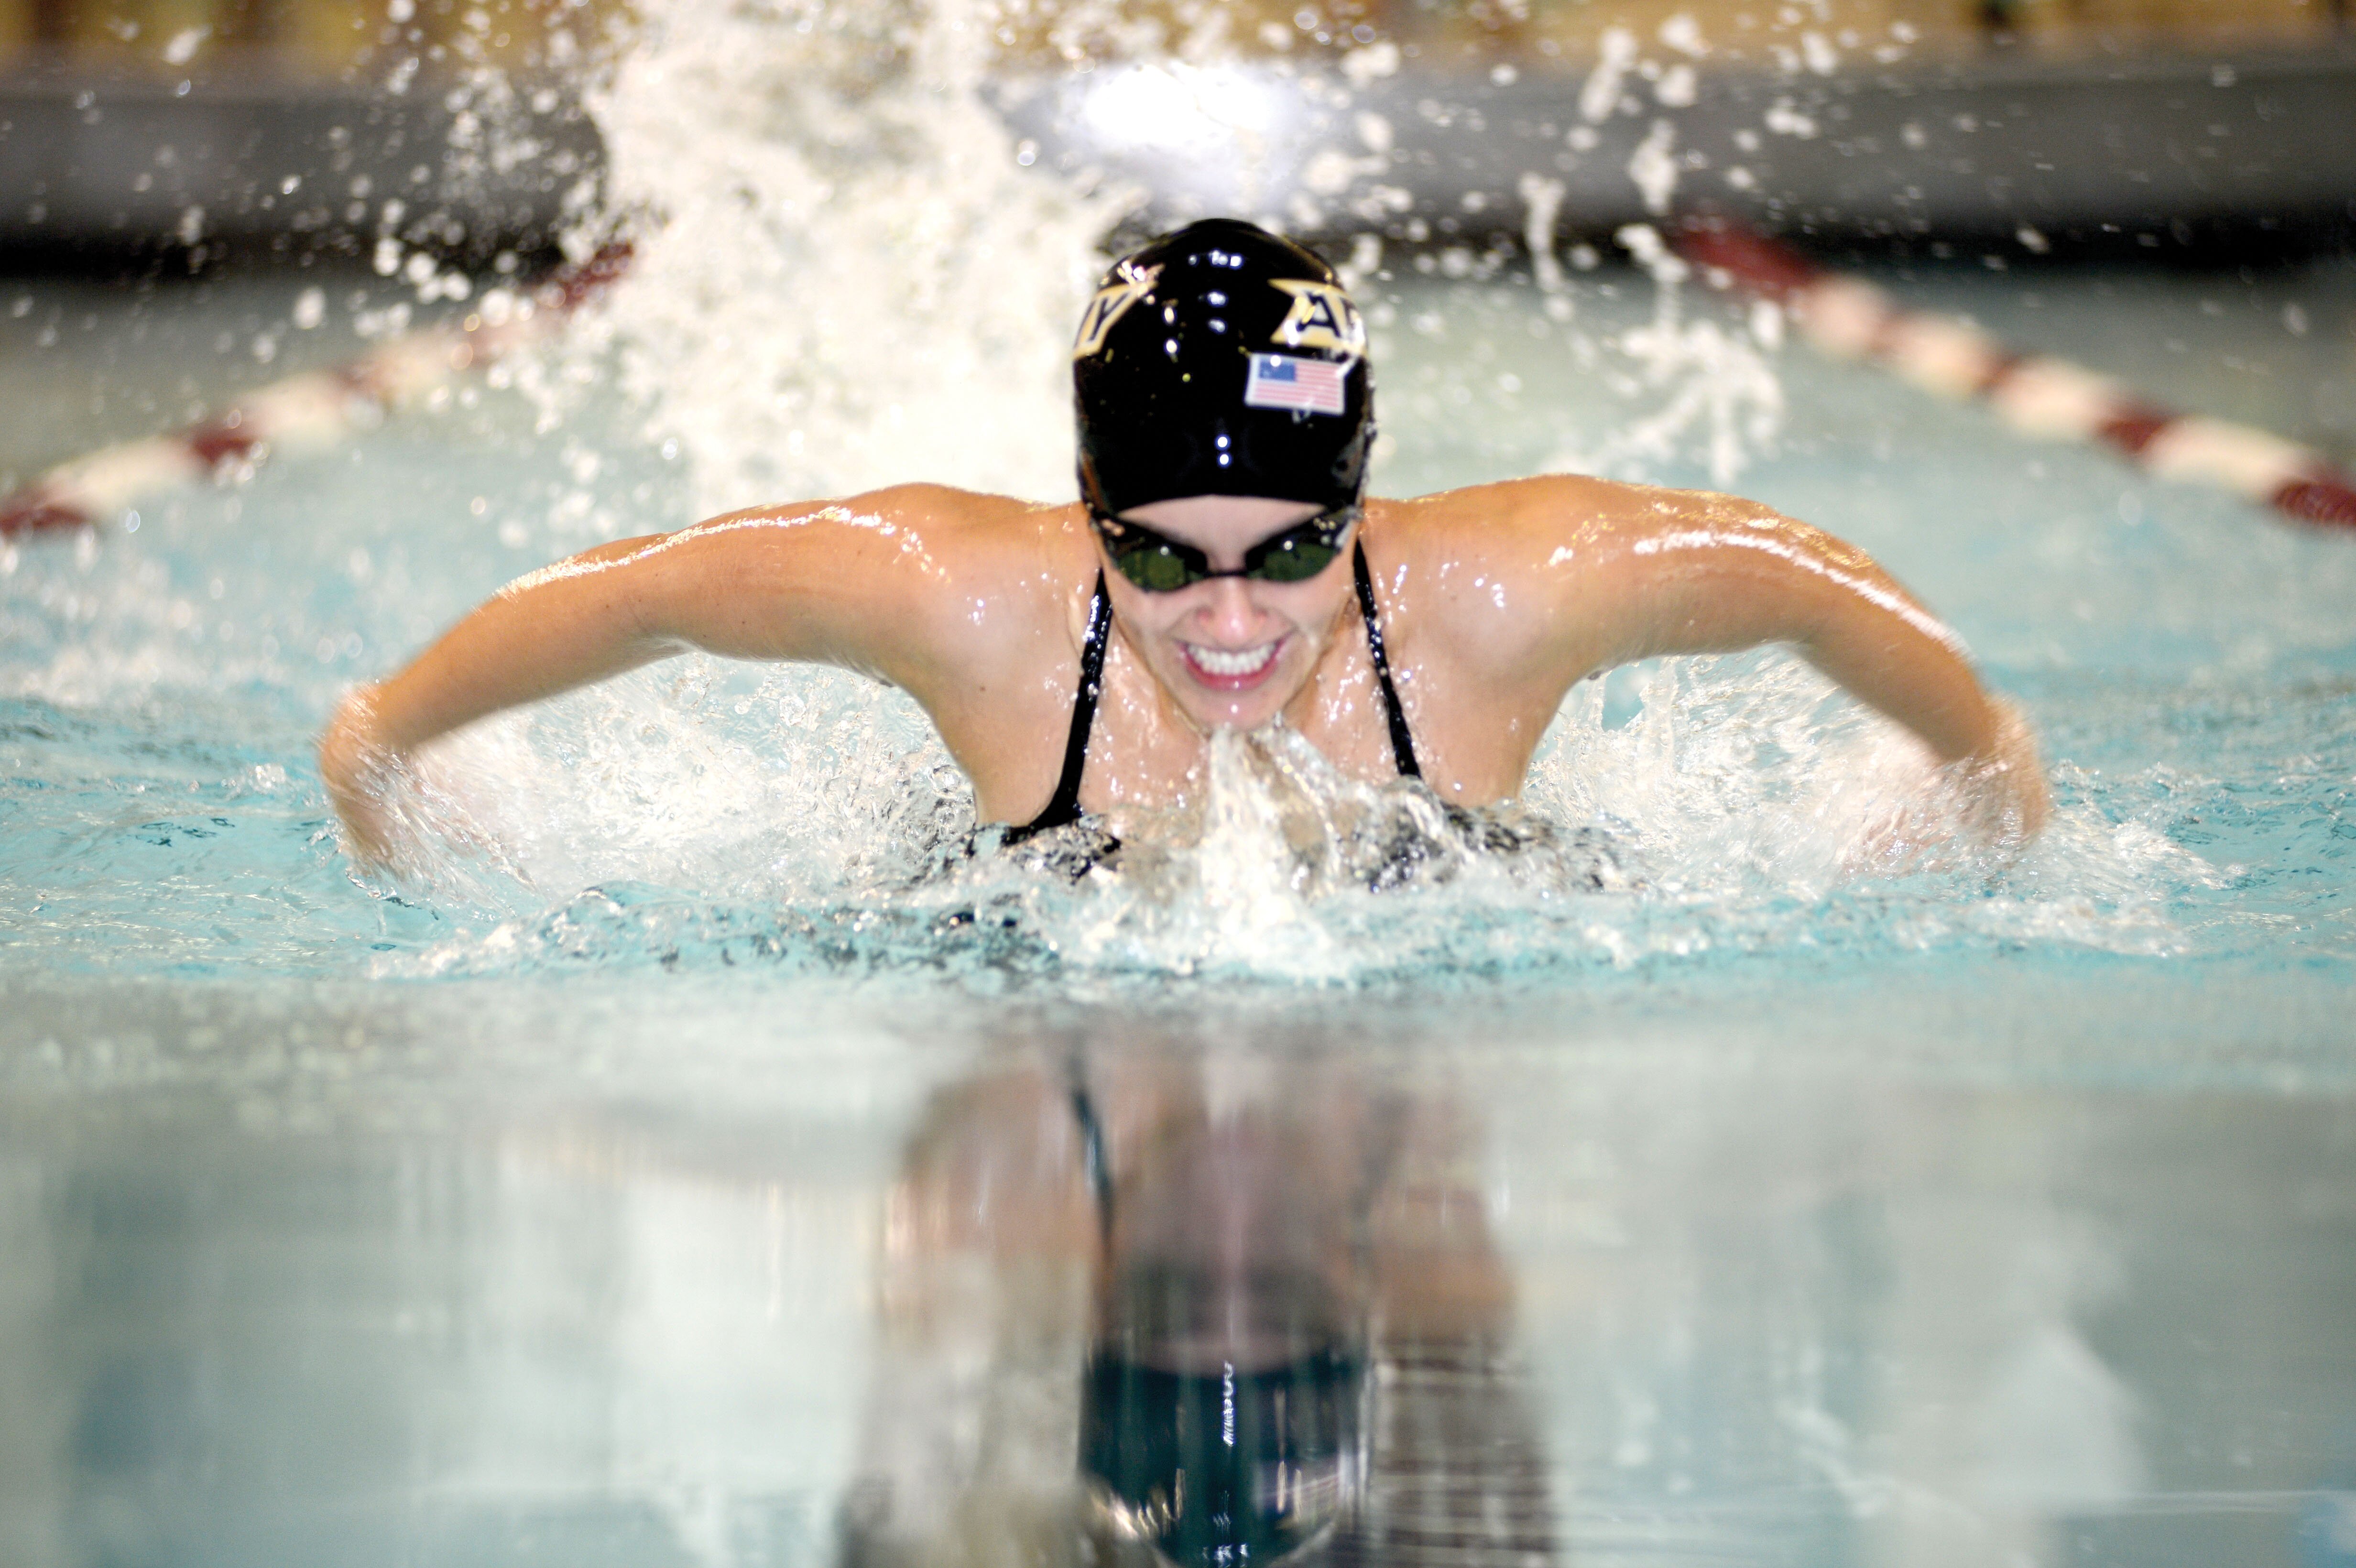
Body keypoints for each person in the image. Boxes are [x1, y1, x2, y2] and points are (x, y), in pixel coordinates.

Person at [320, 218, 2048, 868]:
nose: (1231, 617)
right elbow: (647, 597)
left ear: (1362, 504)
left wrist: (1983, 761)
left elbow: (1805, 584)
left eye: (1291, 551)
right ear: (1087, 517)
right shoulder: (969, 599)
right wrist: (384, 738)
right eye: (1160, 559)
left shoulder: (1514, 592)